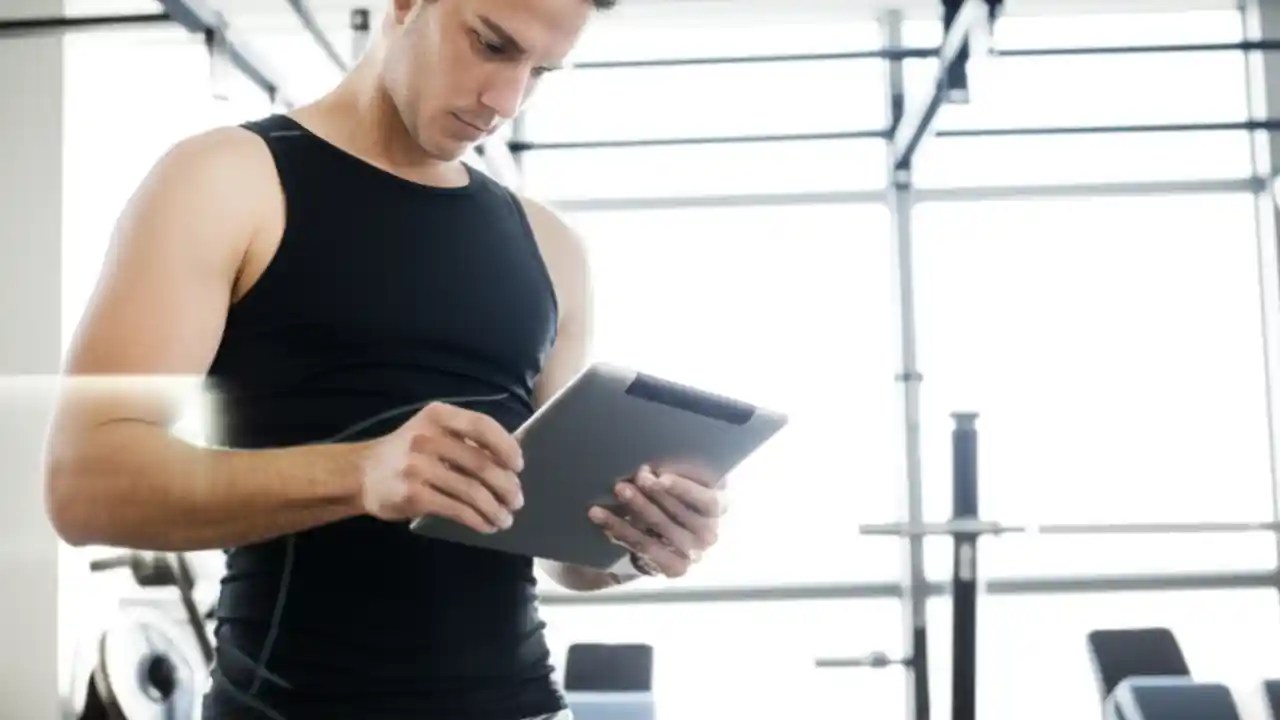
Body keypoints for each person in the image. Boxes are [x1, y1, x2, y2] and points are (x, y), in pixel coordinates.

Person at [43, 1, 731, 718]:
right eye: (492, 45)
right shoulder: (226, 179)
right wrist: (359, 472)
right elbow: (86, 483)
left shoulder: (551, 246)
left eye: (540, 73)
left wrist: (637, 539)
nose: (507, 100)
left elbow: (562, 555)